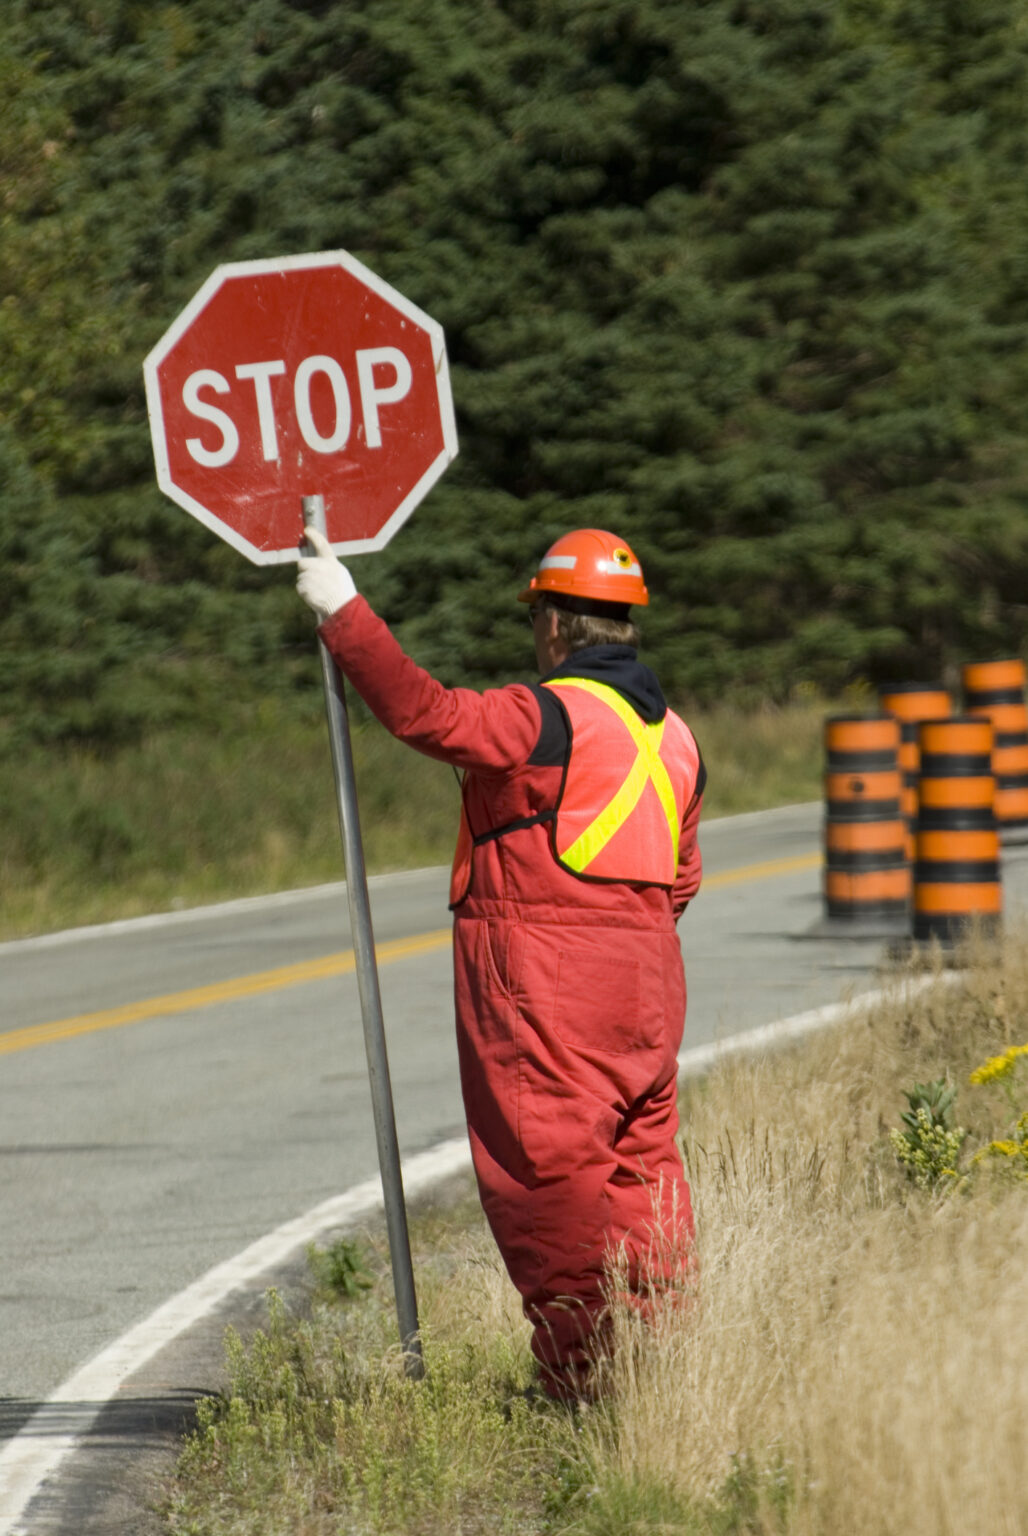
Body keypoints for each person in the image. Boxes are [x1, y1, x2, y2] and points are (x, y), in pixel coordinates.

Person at [296, 526, 705, 1399]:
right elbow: (683, 877)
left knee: (546, 1180)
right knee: (642, 1176)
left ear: (554, 625)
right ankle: (671, 1373)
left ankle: (585, 1389)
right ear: (628, 625)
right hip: (650, 983)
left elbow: (427, 714)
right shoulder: (678, 740)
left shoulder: (541, 714)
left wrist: (344, 610)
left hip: (546, 984)